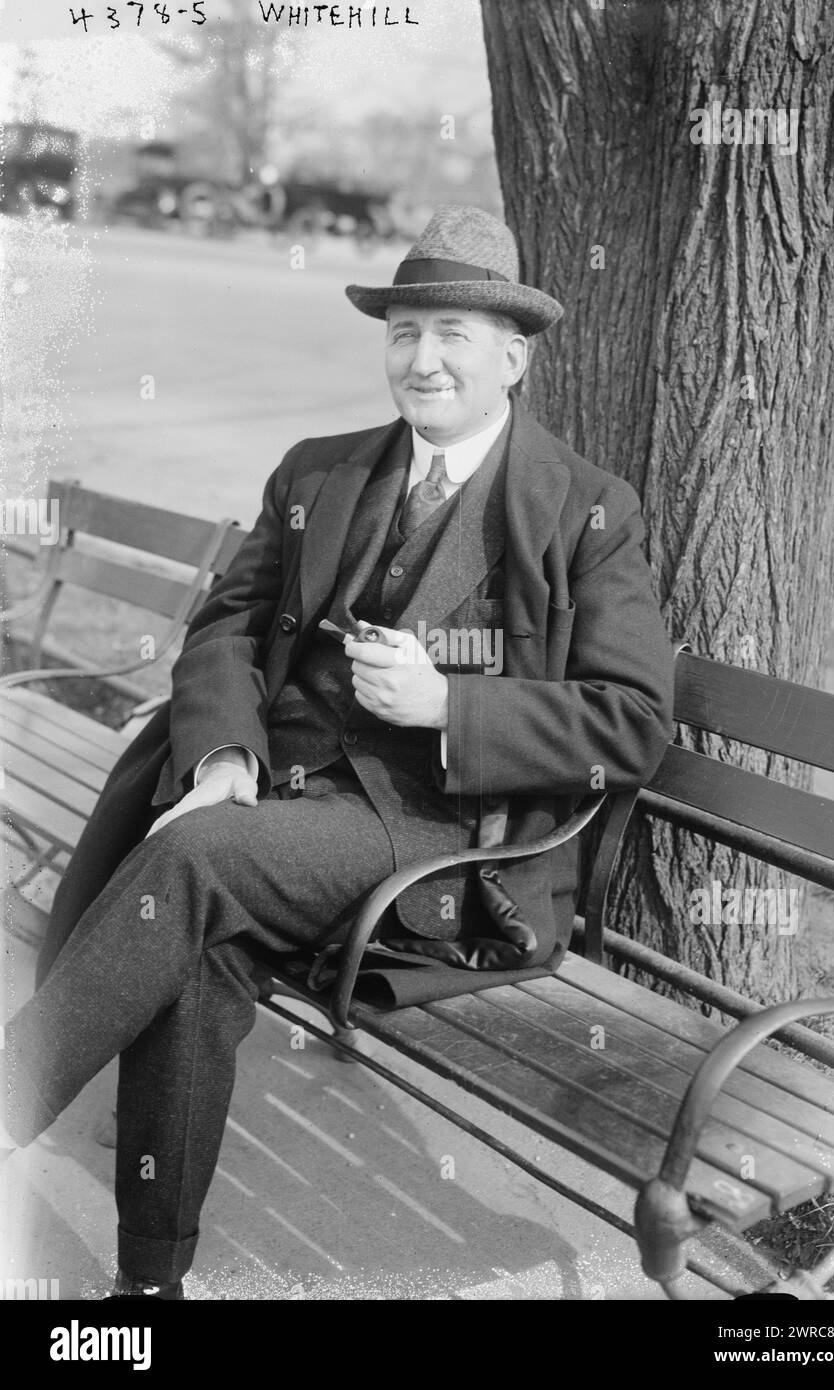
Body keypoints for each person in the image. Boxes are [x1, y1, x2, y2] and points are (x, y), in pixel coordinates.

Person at [0, 205, 674, 1299]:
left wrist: (447, 704)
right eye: (405, 332)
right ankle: (148, 1285)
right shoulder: (318, 474)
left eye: (453, 335)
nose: (423, 359)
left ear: (512, 357)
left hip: (437, 837)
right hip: (275, 796)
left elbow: (633, 722)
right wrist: (221, 755)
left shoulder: (588, 511)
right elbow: (224, 625)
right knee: (198, 948)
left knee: (193, 860)